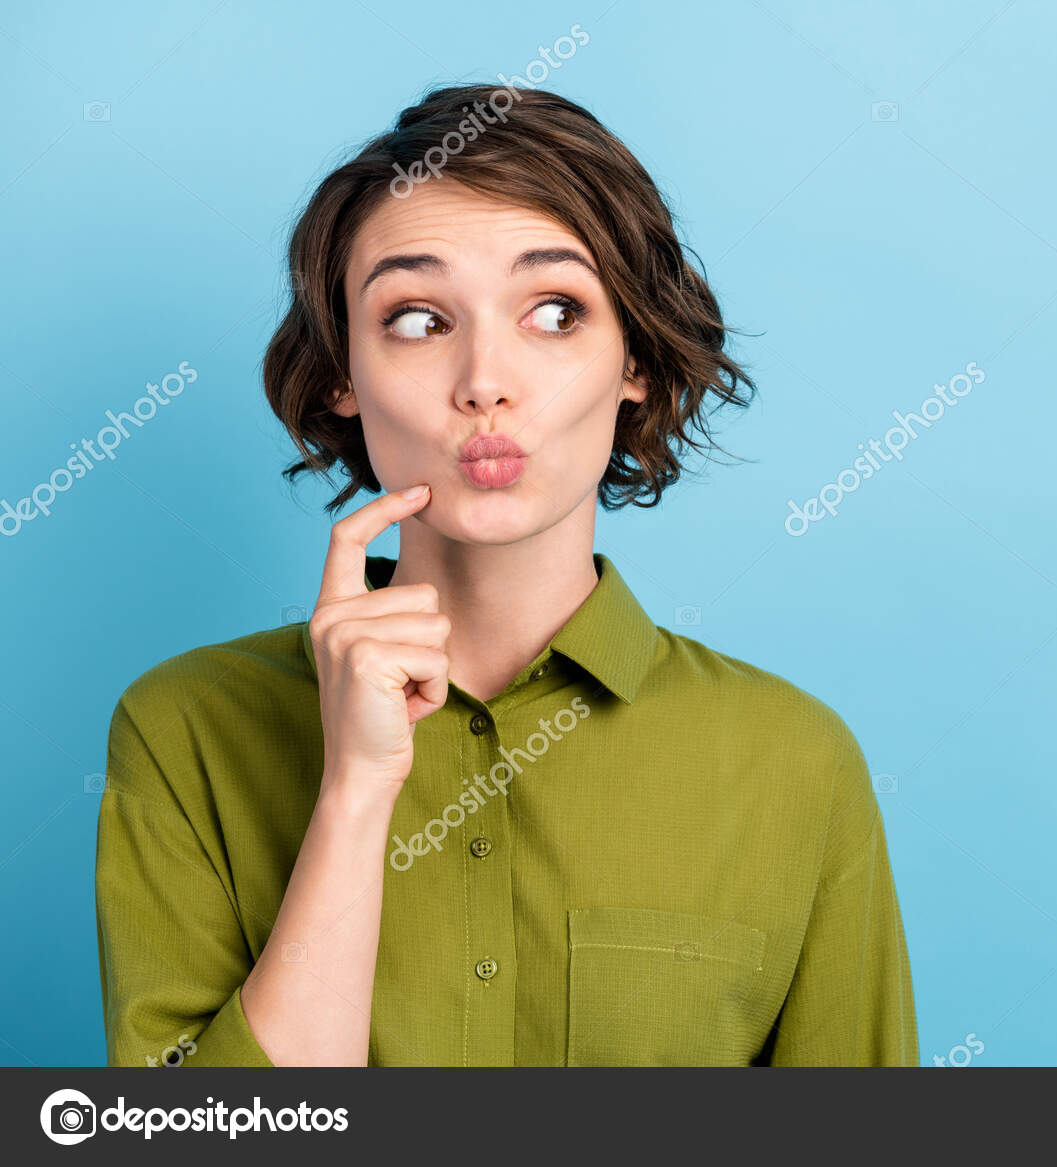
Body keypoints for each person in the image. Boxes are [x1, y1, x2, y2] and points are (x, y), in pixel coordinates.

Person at [94, 84, 917, 1067]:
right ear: (341, 375)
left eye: (555, 311)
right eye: (415, 318)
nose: (485, 380)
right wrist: (357, 791)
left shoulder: (795, 761)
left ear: (635, 360)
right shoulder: (188, 726)